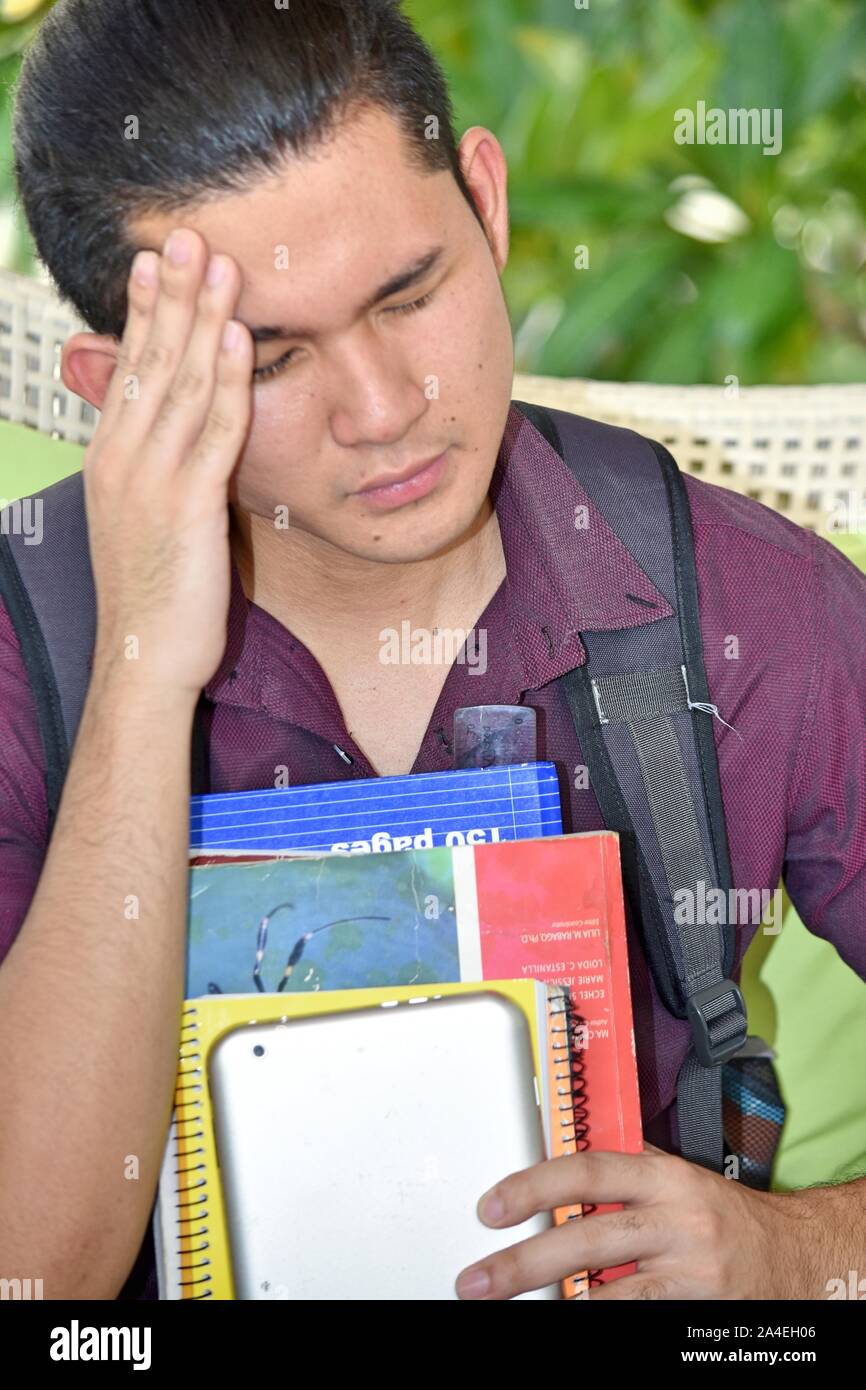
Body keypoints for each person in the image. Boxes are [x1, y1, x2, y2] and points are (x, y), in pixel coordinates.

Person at [1, 0, 864, 1301]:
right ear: (121, 387)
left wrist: (791, 1255)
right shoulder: (29, 649)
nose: (385, 409)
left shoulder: (757, 609)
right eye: (275, 358)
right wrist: (138, 676)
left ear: (486, 201)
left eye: (409, 293)